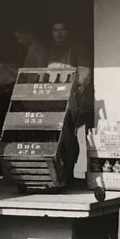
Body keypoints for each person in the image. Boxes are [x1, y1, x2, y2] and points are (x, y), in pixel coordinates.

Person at [47, 20, 93, 187]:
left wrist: (77, 92)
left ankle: (70, 173)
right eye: (55, 30)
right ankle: (59, 173)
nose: (59, 34)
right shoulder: (51, 51)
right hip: (53, 101)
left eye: (62, 30)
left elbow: (85, 74)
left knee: (69, 136)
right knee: (56, 137)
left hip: (72, 101)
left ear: (69, 31)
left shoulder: (78, 48)